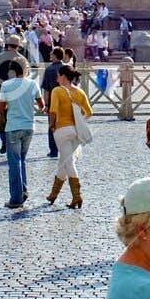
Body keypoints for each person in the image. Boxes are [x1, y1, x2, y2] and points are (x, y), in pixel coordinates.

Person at [0, 58, 44, 210]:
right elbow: (41, 105)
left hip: (13, 126)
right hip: (29, 126)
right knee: (22, 159)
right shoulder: (32, 84)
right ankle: (23, 190)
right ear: (24, 69)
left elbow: (1, 107)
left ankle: (16, 198)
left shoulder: (6, 85)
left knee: (14, 163)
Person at [47, 63, 92, 209]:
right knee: (64, 162)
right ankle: (53, 194)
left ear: (64, 77)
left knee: (69, 163)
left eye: (59, 75)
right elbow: (89, 112)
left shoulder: (57, 91)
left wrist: (52, 126)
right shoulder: (79, 92)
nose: (57, 78)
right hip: (75, 132)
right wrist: (79, 121)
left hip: (61, 130)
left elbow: (53, 111)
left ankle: (77, 197)